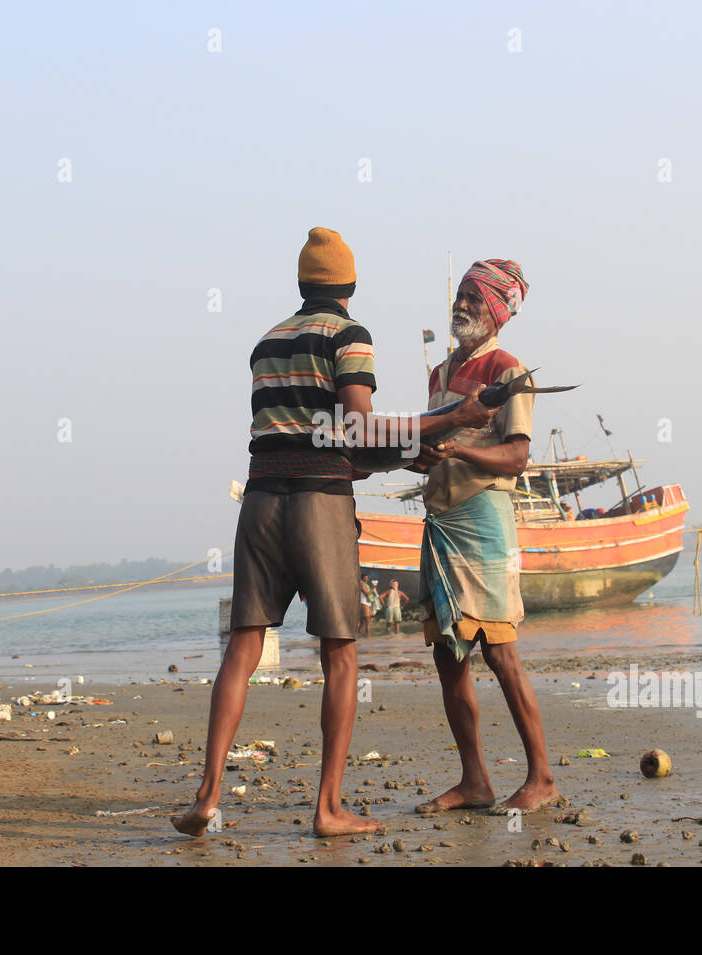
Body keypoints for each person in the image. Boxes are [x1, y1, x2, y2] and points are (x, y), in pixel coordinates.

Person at [173, 228, 495, 839]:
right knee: (340, 655)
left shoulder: (267, 343)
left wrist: (406, 453)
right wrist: (453, 418)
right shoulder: (350, 335)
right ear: (349, 286)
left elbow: (320, 436)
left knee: (243, 649)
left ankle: (209, 794)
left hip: (262, 503)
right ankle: (328, 808)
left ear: (302, 283)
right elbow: (356, 426)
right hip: (318, 509)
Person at [411, 259, 560, 815]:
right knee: (449, 657)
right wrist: (419, 455)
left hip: (483, 519)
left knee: (501, 654)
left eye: (476, 297)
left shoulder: (510, 370)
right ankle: (475, 780)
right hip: (439, 523)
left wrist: (459, 449)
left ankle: (542, 778)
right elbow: (431, 450)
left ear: (499, 309)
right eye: (462, 295)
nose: (464, 304)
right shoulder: (439, 374)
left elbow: (517, 456)